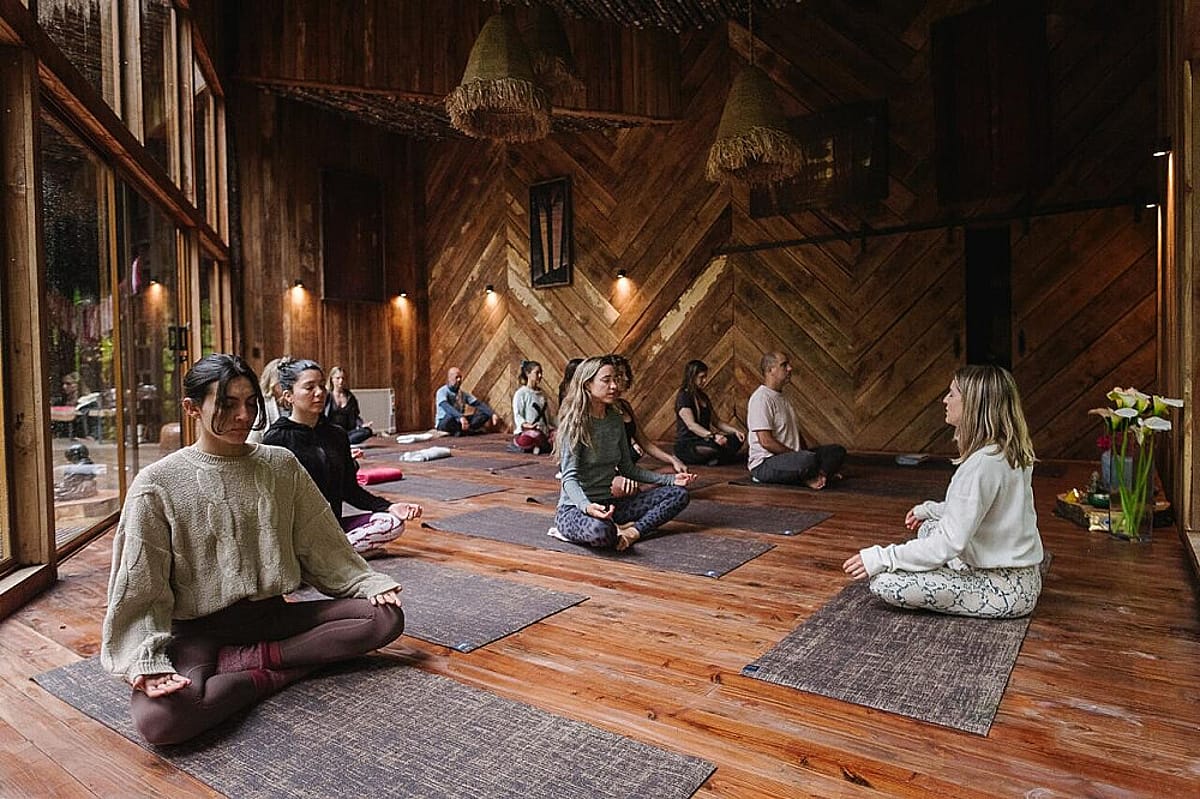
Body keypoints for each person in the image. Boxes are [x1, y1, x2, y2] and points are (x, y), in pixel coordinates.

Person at [99, 353, 405, 746]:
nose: (243, 416)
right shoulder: (156, 484)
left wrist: (365, 580)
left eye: (249, 403)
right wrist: (145, 658)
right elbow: (140, 590)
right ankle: (287, 666)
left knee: (384, 618)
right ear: (192, 408)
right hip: (197, 631)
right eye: (227, 404)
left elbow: (322, 542)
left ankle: (254, 663)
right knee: (160, 721)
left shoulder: (281, 465)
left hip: (271, 616)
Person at [842, 365, 1044, 619]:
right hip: (1025, 578)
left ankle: (952, 574)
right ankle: (946, 566)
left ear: (973, 404)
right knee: (929, 527)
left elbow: (947, 544)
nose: (945, 400)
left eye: (952, 394)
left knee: (884, 582)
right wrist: (928, 509)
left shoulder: (981, 465)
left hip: (1001, 592)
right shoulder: (1007, 451)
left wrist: (881, 557)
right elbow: (981, 508)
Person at [265, 359, 421, 556]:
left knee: (391, 523)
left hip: (332, 527)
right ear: (289, 396)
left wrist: (389, 507)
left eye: (322, 385)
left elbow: (349, 489)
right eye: (309, 387)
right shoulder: (277, 438)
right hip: (296, 534)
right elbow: (272, 502)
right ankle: (337, 555)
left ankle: (330, 556)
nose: (319, 392)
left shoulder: (337, 435)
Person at [554, 356, 695, 551]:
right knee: (602, 532)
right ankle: (613, 529)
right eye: (606, 380)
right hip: (575, 509)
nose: (614, 386)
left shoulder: (615, 419)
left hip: (609, 505)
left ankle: (632, 532)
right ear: (587, 384)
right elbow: (568, 478)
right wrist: (586, 507)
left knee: (679, 495)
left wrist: (670, 480)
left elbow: (628, 468)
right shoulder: (575, 424)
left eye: (616, 379)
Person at [747, 351, 845, 489]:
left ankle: (816, 474)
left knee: (836, 451)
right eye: (784, 365)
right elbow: (766, 442)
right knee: (807, 459)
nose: (790, 368)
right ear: (770, 370)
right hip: (765, 464)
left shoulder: (782, 397)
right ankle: (809, 475)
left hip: (791, 458)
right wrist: (800, 456)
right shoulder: (761, 399)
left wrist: (805, 455)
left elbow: (795, 434)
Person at [605, 354, 687, 474]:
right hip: (609, 471)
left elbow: (645, 443)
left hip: (627, 467)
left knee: (674, 471)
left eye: (626, 374)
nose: (626, 378)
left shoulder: (624, 405)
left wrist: (672, 459)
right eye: (620, 375)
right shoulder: (602, 408)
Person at [674, 359, 746, 466]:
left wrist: (735, 431)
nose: (705, 380)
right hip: (688, 445)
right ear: (692, 377)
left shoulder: (703, 397)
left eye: (705, 376)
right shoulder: (684, 397)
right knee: (712, 448)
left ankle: (716, 459)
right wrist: (713, 436)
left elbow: (717, 422)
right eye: (701, 377)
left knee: (736, 439)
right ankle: (721, 458)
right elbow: (691, 425)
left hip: (705, 439)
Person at [435, 367, 499, 435]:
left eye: (460, 377)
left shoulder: (463, 394)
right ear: (449, 378)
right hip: (445, 422)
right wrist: (460, 417)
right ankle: (466, 431)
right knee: (450, 417)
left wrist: (492, 414)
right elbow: (446, 406)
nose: (459, 380)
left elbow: (478, 404)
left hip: (460, 421)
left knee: (484, 414)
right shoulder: (442, 391)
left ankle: (465, 430)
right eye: (456, 377)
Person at [511, 359, 555, 454]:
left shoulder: (542, 394)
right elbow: (517, 415)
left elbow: (548, 417)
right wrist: (527, 425)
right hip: (527, 432)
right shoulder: (521, 393)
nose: (540, 376)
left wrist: (552, 427)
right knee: (534, 435)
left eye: (541, 373)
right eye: (537, 373)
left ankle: (540, 446)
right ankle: (538, 445)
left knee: (557, 436)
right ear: (528, 374)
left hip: (543, 431)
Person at [325, 366, 375, 444]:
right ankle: (340, 443)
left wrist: (362, 425)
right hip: (331, 432)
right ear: (332, 379)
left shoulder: (350, 397)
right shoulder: (327, 396)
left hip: (347, 432)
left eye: (343, 378)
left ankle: (342, 443)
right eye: (338, 378)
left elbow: (355, 416)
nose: (340, 381)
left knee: (367, 431)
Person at [246, 355, 286, 445]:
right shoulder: (262, 406)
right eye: (283, 383)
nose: (288, 386)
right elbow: (252, 442)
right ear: (272, 384)